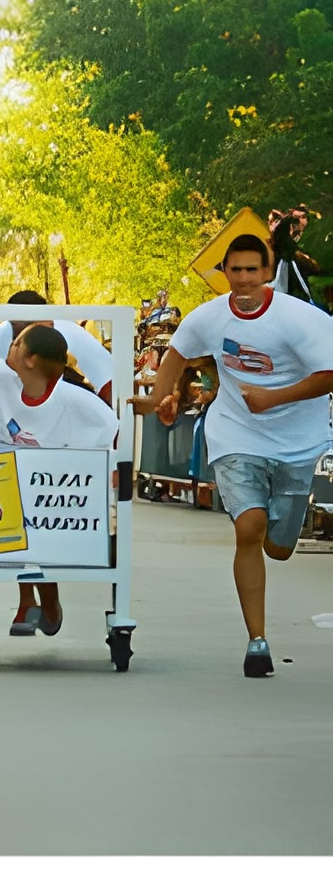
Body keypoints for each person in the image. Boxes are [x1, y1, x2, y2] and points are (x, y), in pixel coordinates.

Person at [132, 234, 333, 677]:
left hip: (297, 442)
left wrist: (274, 398)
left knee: (278, 548)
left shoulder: (301, 319)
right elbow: (177, 355)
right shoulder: (209, 317)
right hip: (236, 433)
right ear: (224, 272)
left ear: (268, 273)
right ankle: (257, 641)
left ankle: (281, 529)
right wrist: (160, 398)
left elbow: (329, 374)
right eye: (235, 270)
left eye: (251, 270)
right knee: (249, 527)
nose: (243, 279)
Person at [0, 323, 119, 635]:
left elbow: (112, 437)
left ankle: (46, 603)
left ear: (30, 359)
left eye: (16, 343)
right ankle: (31, 602)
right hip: (15, 488)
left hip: (60, 495)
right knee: (11, 508)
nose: (9, 346)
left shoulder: (79, 402)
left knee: (38, 524)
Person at [0, 290, 113, 444]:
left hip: (65, 442)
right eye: (19, 335)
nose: (26, 336)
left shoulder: (71, 335)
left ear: (49, 321)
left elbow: (109, 384)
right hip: (12, 443)